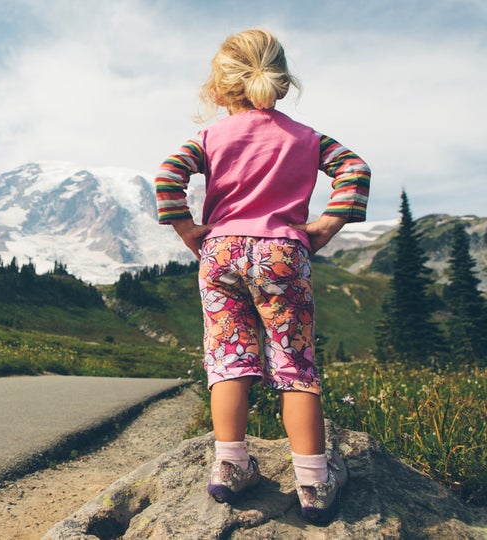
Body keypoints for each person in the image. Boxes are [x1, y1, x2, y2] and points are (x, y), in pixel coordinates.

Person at [154, 28, 370, 524]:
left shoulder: (209, 137)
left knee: (228, 357)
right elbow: (355, 170)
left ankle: (231, 466)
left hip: (222, 251)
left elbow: (168, 175)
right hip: (282, 254)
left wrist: (189, 231)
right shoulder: (307, 137)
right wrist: (325, 226)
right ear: (283, 81)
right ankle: (315, 481)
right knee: (295, 364)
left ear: (218, 87)